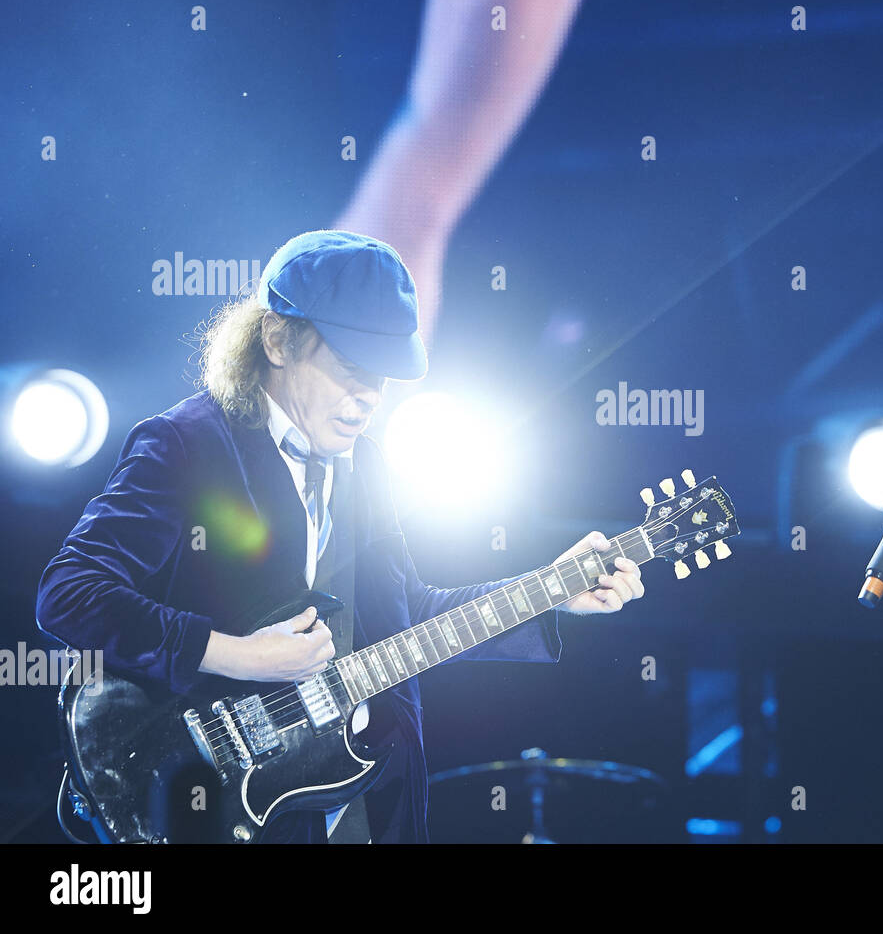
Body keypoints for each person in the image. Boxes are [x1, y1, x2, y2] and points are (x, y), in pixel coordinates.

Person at [35, 230, 645, 843]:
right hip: (211, 801)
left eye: (381, 377)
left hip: (361, 802)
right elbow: (69, 592)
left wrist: (550, 590)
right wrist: (235, 654)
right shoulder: (188, 445)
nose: (368, 399)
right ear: (277, 340)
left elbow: (405, 620)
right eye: (351, 368)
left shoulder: (368, 465)